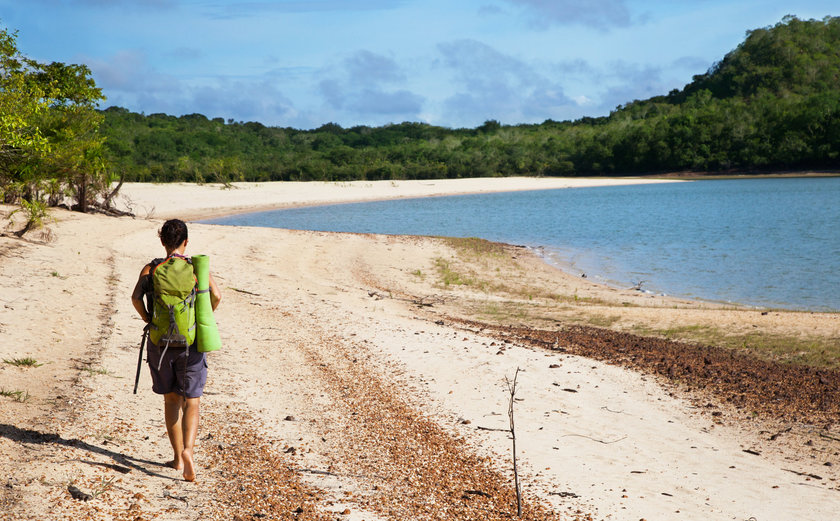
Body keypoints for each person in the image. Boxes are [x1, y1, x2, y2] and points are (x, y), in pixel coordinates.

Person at [131, 219, 221, 482]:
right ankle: (189, 451)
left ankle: (177, 459)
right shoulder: (195, 269)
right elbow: (216, 296)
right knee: (191, 401)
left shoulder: (152, 268)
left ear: (162, 241)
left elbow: (136, 298)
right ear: (186, 242)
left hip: (161, 343)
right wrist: (201, 318)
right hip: (190, 344)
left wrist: (149, 319)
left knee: (171, 399)